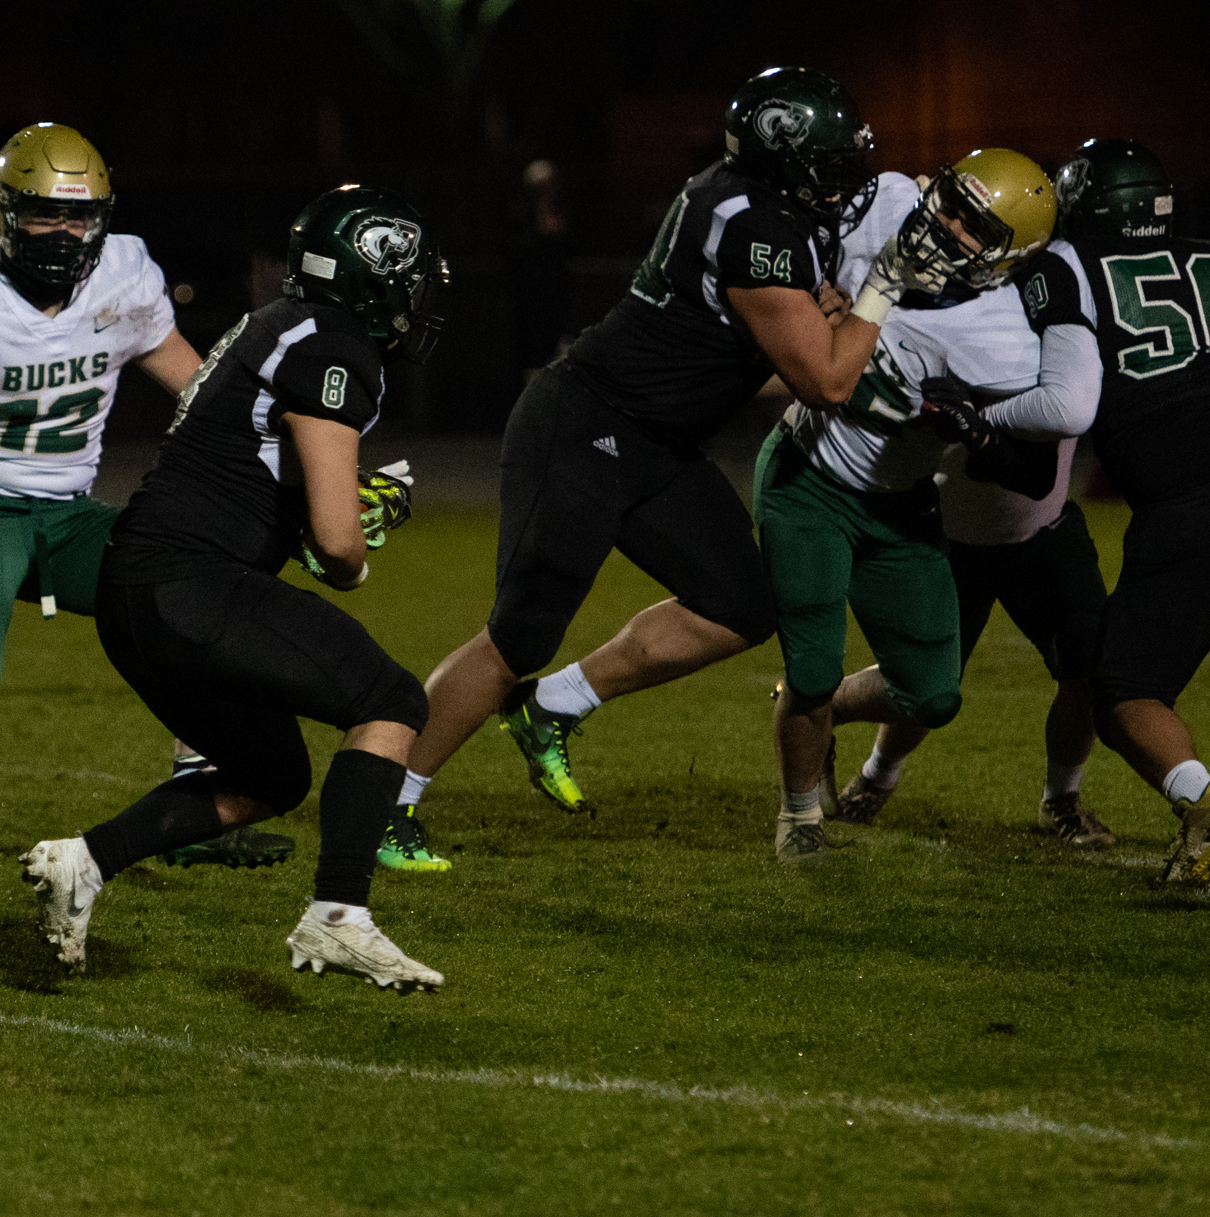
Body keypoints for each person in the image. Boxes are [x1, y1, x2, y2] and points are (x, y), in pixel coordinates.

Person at [380, 66, 954, 871]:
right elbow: (823, 377)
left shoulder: (765, 204)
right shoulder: (757, 225)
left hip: (654, 440)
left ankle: (556, 705)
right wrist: (884, 287)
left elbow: (816, 340)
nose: (842, 180)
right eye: (828, 162)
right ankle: (388, 799)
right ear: (785, 158)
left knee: (742, 602)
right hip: (585, 427)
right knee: (520, 631)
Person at [0, 123, 294, 888]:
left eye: (79, 214)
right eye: (44, 212)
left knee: (197, 606)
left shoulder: (124, 272)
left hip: (72, 515)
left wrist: (292, 454)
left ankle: (196, 804)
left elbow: (199, 390)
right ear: (3, 213)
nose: (65, 230)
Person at [17, 184, 447, 989]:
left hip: (136, 591)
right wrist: (356, 536)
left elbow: (263, 475)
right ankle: (339, 914)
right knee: (391, 700)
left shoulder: (281, 324)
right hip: (190, 583)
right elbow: (336, 546)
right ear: (373, 271)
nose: (417, 295)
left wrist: (332, 509)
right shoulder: (334, 343)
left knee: (271, 776)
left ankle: (86, 861)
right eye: (412, 275)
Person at [755, 150, 1076, 860]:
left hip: (900, 506)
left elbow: (1030, 472)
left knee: (933, 695)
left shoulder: (1005, 342)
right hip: (809, 475)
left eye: (975, 226)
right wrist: (814, 300)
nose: (949, 225)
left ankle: (820, 711)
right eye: (953, 204)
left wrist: (978, 430)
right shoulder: (884, 204)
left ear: (1011, 254)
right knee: (811, 663)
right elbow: (784, 245)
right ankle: (800, 815)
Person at [1034, 139, 1210, 888]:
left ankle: (1203, 803)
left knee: (1127, 690)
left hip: (1185, 507)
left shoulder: (1068, 263)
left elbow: (1061, 387)